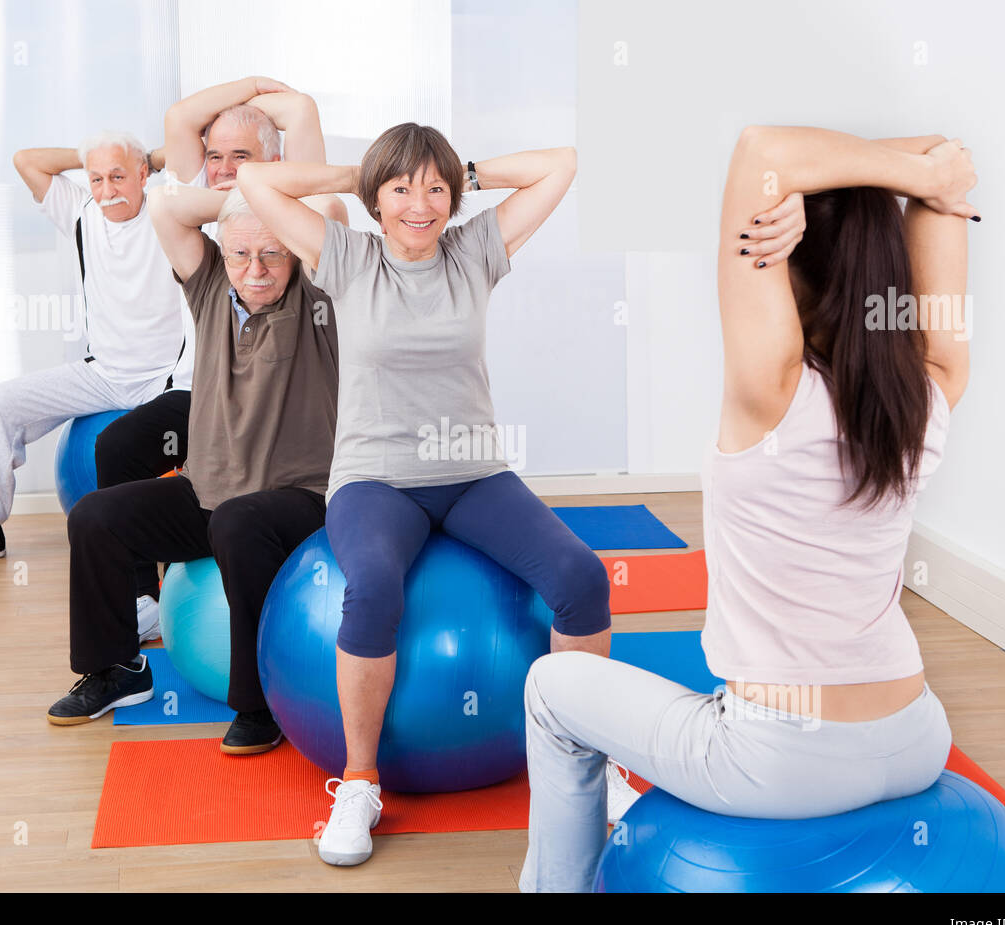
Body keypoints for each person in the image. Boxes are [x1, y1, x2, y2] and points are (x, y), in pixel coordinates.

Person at [516, 127, 978, 892]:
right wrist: (935, 181)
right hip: (916, 737)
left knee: (551, 688)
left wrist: (909, 174)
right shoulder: (929, 395)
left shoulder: (772, 393)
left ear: (788, 268)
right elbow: (944, 181)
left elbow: (761, 150)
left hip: (780, 761)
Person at [236, 123, 618, 868]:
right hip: (375, 478)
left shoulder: (474, 251)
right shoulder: (346, 256)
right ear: (376, 199)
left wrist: (460, 169)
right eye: (403, 189)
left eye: (435, 189)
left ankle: (583, 766)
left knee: (582, 579)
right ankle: (359, 784)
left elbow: (560, 164)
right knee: (373, 587)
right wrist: (361, 174)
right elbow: (257, 183)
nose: (421, 205)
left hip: (473, 473)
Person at [44, 177, 346, 754]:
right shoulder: (208, 287)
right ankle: (117, 671)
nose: (254, 268)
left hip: (297, 498)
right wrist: (247, 207)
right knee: (94, 516)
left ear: (292, 249)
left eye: (271, 252)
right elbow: (164, 205)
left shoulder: (317, 296)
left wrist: (262, 206)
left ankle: (260, 704)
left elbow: (329, 208)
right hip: (204, 491)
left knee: (238, 521)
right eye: (239, 252)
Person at [91, 78, 331, 642]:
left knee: (240, 508)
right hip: (205, 396)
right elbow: (179, 123)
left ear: (275, 162)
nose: (222, 168)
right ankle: (143, 599)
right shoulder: (204, 203)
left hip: (280, 401)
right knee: (117, 447)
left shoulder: (303, 228)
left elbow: (301, 113)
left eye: (240, 158)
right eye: (214, 156)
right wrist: (246, 92)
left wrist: (264, 186)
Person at [0, 133, 189, 574]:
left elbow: (190, 153)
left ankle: (172, 547)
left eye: (118, 176)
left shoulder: (170, 212)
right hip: (104, 374)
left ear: (142, 176)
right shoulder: (83, 213)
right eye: (96, 179)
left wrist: (149, 156)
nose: (107, 191)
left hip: (167, 380)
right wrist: (91, 158)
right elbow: (27, 161)